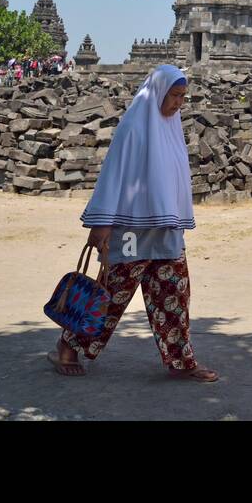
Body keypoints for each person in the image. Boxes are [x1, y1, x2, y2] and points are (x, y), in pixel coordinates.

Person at [49, 64, 218, 382]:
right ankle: (67, 347)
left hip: (166, 232)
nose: (179, 103)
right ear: (157, 93)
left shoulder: (172, 127)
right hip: (131, 231)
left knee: (174, 296)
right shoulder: (134, 129)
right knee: (111, 297)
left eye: (183, 97)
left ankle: (181, 361)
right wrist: (101, 225)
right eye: (174, 96)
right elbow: (114, 174)